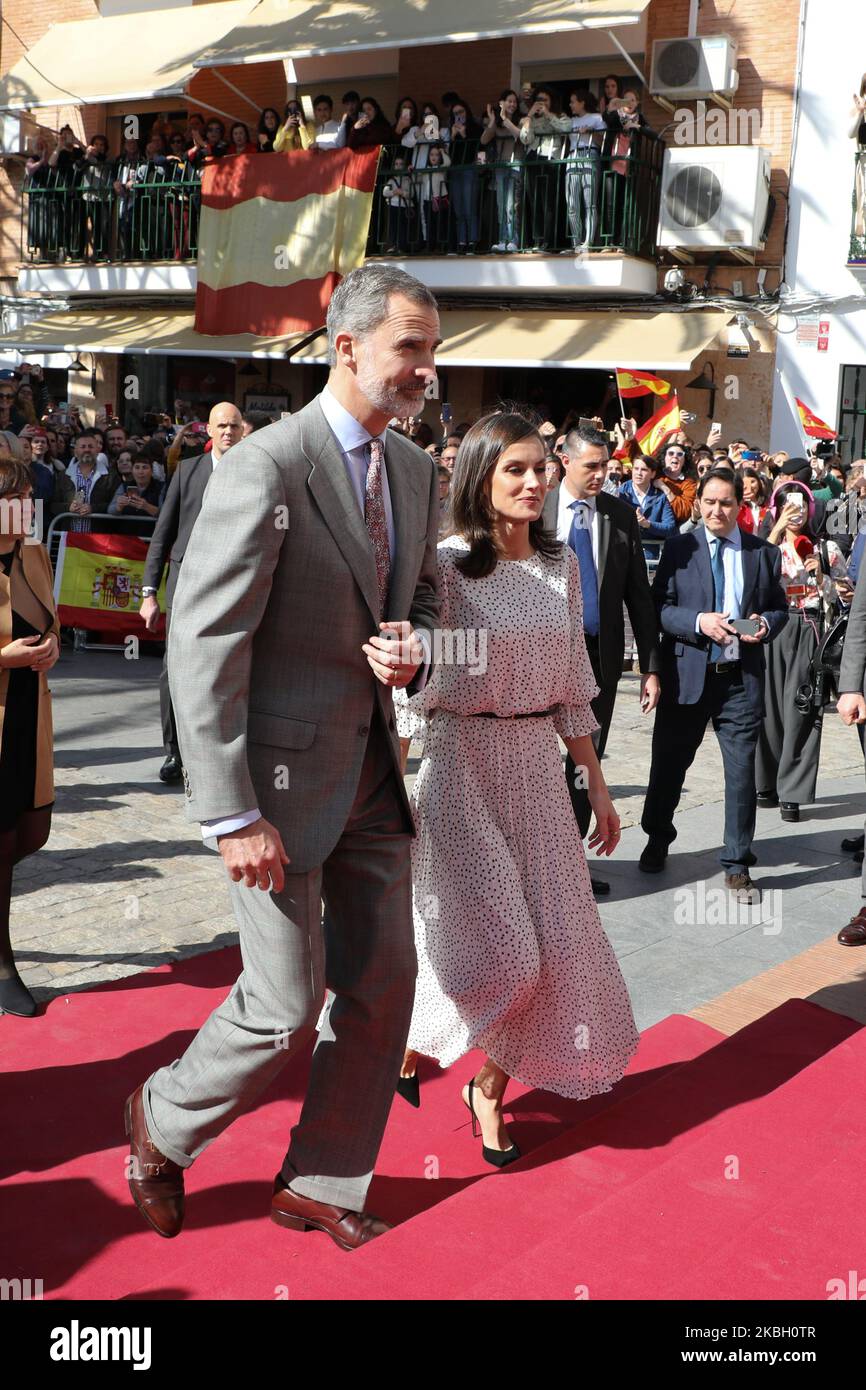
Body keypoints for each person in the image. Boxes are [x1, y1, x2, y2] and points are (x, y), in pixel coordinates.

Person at [126, 265, 441, 1250]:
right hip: (275, 790)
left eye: (432, 352)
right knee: (279, 1006)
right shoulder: (263, 465)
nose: (426, 372)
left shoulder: (420, 474)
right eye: (411, 350)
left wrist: (416, 645)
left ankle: (322, 1178)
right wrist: (228, 813)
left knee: (384, 984)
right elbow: (202, 643)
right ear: (345, 346)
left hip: (375, 781)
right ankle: (158, 1124)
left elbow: (423, 601)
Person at [394, 411, 639, 1151]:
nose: (535, 482)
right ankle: (414, 1034)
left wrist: (595, 781)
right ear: (480, 477)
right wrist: (387, 789)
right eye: (516, 470)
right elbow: (414, 685)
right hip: (460, 764)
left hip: (538, 768)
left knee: (562, 946)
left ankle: (487, 1086)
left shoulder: (561, 565)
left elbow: (572, 682)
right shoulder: (444, 565)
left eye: (542, 468)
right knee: (507, 949)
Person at [639, 468, 788, 901]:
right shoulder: (679, 548)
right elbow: (660, 609)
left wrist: (764, 623)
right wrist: (698, 621)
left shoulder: (762, 553)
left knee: (742, 774)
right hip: (687, 675)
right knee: (668, 766)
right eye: (709, 502)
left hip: (740, 680)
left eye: (725, 503)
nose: (716, 510)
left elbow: (778, 609)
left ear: (740, 505)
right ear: (699, 503)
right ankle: (657, 837)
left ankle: (738, 863)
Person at [543, 426, 660, 895]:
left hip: (597, 657)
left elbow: (639, 594)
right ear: (564, 461)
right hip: (538, 653)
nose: (600, 475)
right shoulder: (536, 508)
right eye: (591, 465)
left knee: (584, 761)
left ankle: (570, 870)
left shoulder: (618, 514)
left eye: (606, 466)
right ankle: (531, 864)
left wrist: (650, 665)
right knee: (535, 760)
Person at [140, 403, 243, 784]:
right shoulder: (187, 471)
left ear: (243, 430)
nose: (228, 431)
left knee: (230, 669)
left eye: (234, 425)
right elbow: (162, 535)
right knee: (175, 669)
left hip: (236, 585)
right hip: (186, 585)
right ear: (210, 432)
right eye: (222, 426)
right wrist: (149, 593)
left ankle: (224, 753)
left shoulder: (258, 471)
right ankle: (174, 753)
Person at [0, 448, 62, 1016]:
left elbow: (50, 618)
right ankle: (2, 963)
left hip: (25, 717)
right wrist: (4, 658)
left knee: (25, 837)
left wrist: (50, 647)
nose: (25, 508)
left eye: (26, 499)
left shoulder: (33, 550)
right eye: (14, 501)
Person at [755, 481, 849, 821]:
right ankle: (764, 781)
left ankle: (792, 791)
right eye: (787, 505)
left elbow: (845, 596)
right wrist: (775, 531)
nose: (795, 512)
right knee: (766, 708)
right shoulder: (764, 546)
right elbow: (751, 579)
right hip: (771, 626)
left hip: (809, 626)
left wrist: (822, 576)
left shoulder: (825, 549)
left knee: (802, 707)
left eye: (800, 505)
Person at [519, 88, 569, 250]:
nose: (541, 103)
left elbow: (565, 128)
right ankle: (537, 240)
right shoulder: (532, 119)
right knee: (534, 202)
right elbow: (525, 139)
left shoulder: (559, 115)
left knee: (548, 203)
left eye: (545, 100)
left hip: (550, 161)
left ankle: (549, 241)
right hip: (533, 160)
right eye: (538, 99)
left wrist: (548, 114)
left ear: (551, 101)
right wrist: (529, 117)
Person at [481, 89, 524, 252]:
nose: (512, 104)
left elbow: (520, 136)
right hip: (500, 167)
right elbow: (484, 139)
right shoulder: (498, 124)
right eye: (509, 101)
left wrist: (506, 119)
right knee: (501, 205)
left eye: (514, 101)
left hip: (515, 165)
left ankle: (513, 239)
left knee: (512, 205)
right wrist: (493, 120)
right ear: (502, 103)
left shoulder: (521, 120)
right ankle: (502, 239)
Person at [562, 89, 605, 252]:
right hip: (572, 157)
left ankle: (589, 242)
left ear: (582, 103)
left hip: (590, 154)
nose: (571, 104)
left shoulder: (596, 118)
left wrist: (591, 132)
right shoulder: (570, 121)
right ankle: (576, 242)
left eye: (573, 101)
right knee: (572, 203)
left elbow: (604, 141)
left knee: (589, 203)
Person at [618, 452, 677, 563]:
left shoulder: (660, 497)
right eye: (636, 469)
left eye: (644, 470)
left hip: (652, 559)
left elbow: (670, 528)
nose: (638, 473)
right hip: (625, 556)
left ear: (653, 474)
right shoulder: (621, 492)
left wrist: (647, 524)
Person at [442, 97, 484, 253]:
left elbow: (478, 146)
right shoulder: (451, 130)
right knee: (458, 210)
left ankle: (472, 241)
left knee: (469, 208)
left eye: (461, 111)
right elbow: (450, 154)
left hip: (469, 169)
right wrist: (453, 137)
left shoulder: (474, 128)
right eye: (455, 113)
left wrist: (464, 134)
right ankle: (461, 242)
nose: (458, 115)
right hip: (456, 171)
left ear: (467, 111)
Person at [655, 440, 697, 523]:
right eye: (671, 453)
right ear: (664, 457)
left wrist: (664, 488)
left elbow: (684, 512)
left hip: (673, 529)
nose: (675, 456)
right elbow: (639, 461)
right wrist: (631, 438)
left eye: (680, 454)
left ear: (684, 461)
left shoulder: (689, 483)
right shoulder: (654, 473)